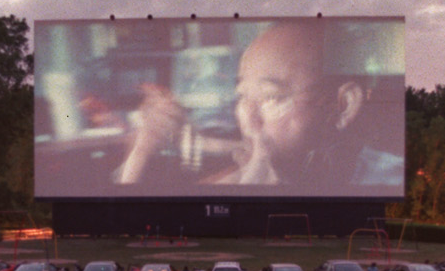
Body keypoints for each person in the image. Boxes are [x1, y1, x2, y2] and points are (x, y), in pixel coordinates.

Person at [113, 20, 403, 190]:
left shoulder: (386, 183)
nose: (248, 122)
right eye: (242, 96)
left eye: (270, 99)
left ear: (343, 106)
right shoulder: (263, 173)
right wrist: (142, 149)